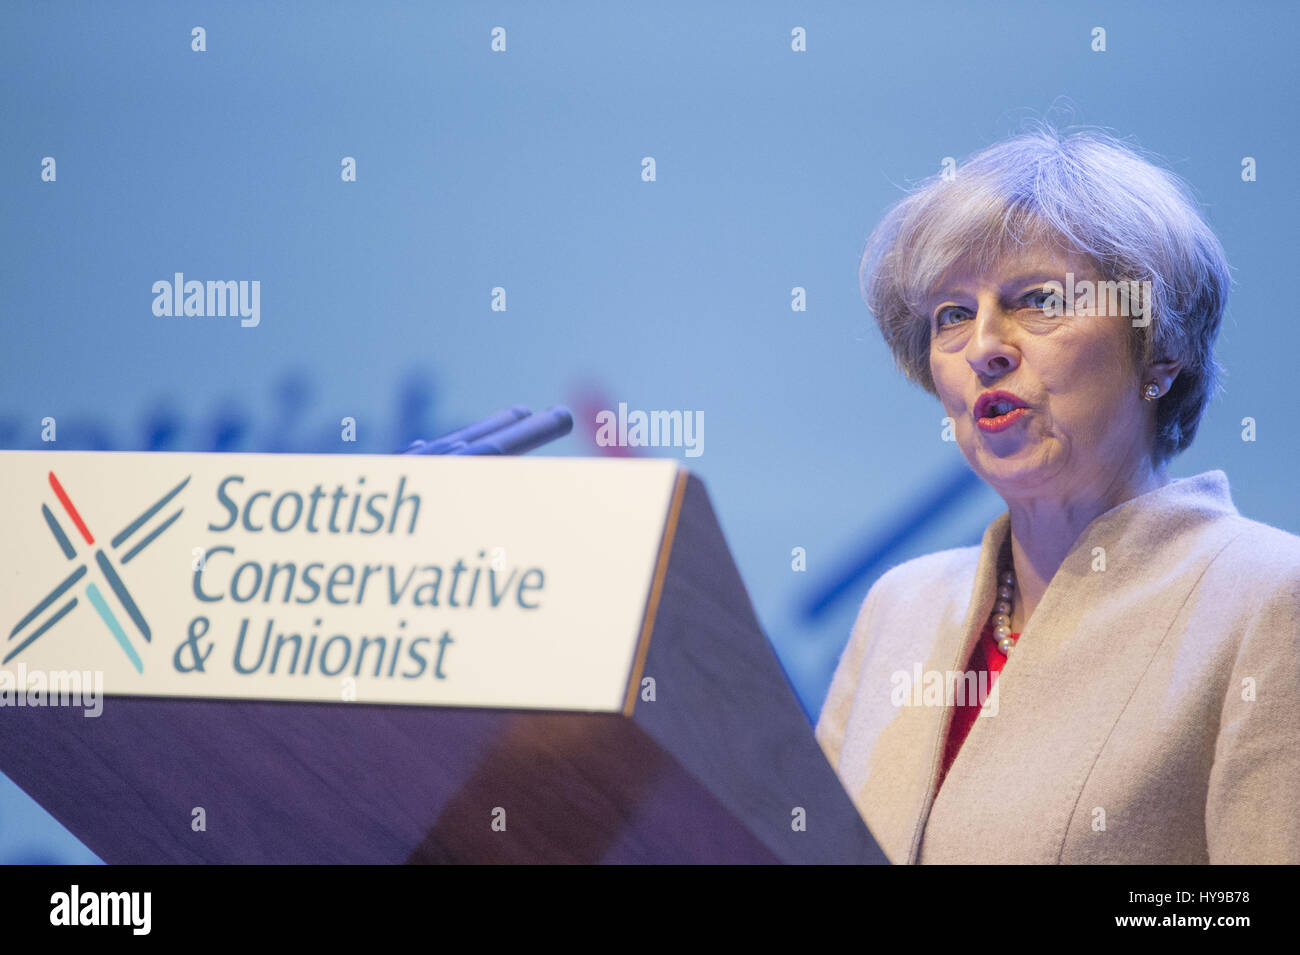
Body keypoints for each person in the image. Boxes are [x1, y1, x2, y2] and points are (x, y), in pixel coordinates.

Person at [815, 126, 1300, 864]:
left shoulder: (1268, 595)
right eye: (952, 314)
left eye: (1037, 300)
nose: (984, 346)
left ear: (1160, 350)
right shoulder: (898, 606)